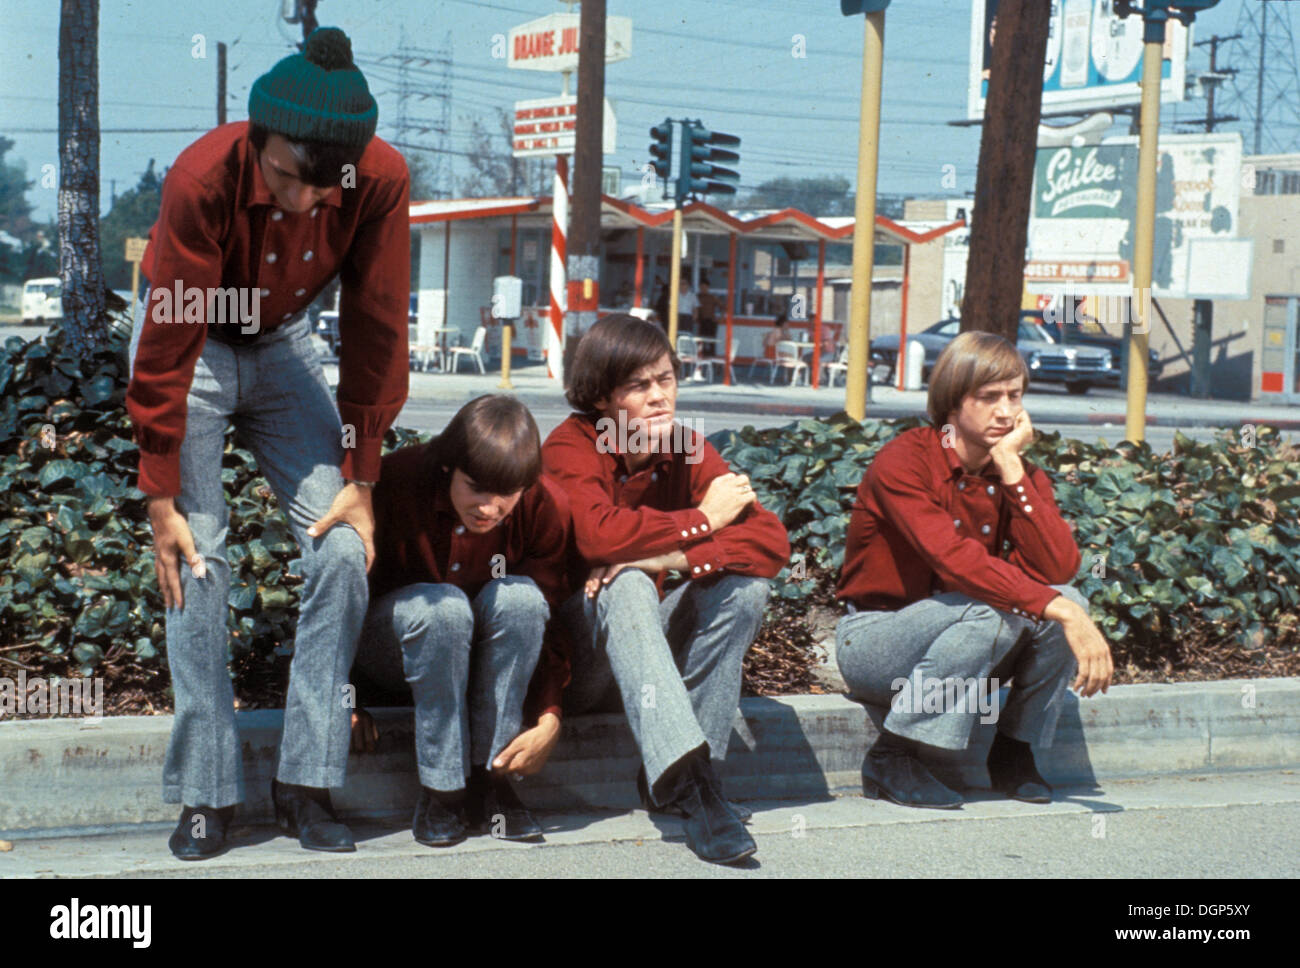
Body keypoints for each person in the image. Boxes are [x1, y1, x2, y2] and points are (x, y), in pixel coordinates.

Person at [125, 26, 411, 860]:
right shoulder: (201, 176)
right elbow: (167, 341)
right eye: (287, 178)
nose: (299, 203)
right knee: (198, 560)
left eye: (322, 195)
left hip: (283, 347)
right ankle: (207, 793)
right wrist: (159, 496)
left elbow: (377, 325)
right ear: (261, 140)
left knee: (342, 545)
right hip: (197, 345)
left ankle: (308, 779)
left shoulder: (381, 179)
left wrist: (362, 474)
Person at [542, 314, 791, 865]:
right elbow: (598, 534)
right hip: (578, 664)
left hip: (648, 651)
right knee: (627, 583)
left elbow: (771, 541)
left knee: (743, 590)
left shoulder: (686, 447)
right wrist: (702, 519)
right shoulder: (569, 448)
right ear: (602, 397)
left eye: (667, 380)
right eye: (639, 386)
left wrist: (674, 552)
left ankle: (691, 781)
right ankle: (689, 782)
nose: (660, 398)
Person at [835, 331, 1113, 810]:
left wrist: (1012, 472)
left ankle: (1013, 751)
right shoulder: (906, 460)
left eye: (1015, 396)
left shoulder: (1014, 469)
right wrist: (1060, 610)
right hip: (878, 642)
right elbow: (955, 561)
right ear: (951, 402)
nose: (1005, 412)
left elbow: (1059, 566)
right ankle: (891, 758)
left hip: (967, 644)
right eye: (988, 397)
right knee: (1005, 610)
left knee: (1068, 597)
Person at [355, 396, 572, 847]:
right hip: (393, 647)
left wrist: (549, 715)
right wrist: (344, 697)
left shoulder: (545, 505)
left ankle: (491, 778)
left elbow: (547, 624)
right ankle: (442, 790)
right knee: (446, 607)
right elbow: (342, 600)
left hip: (476, 658)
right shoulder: (398, 480)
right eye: (475, 488)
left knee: (522, 600)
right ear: (448, 468)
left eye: (506, 495)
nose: (489, 509)